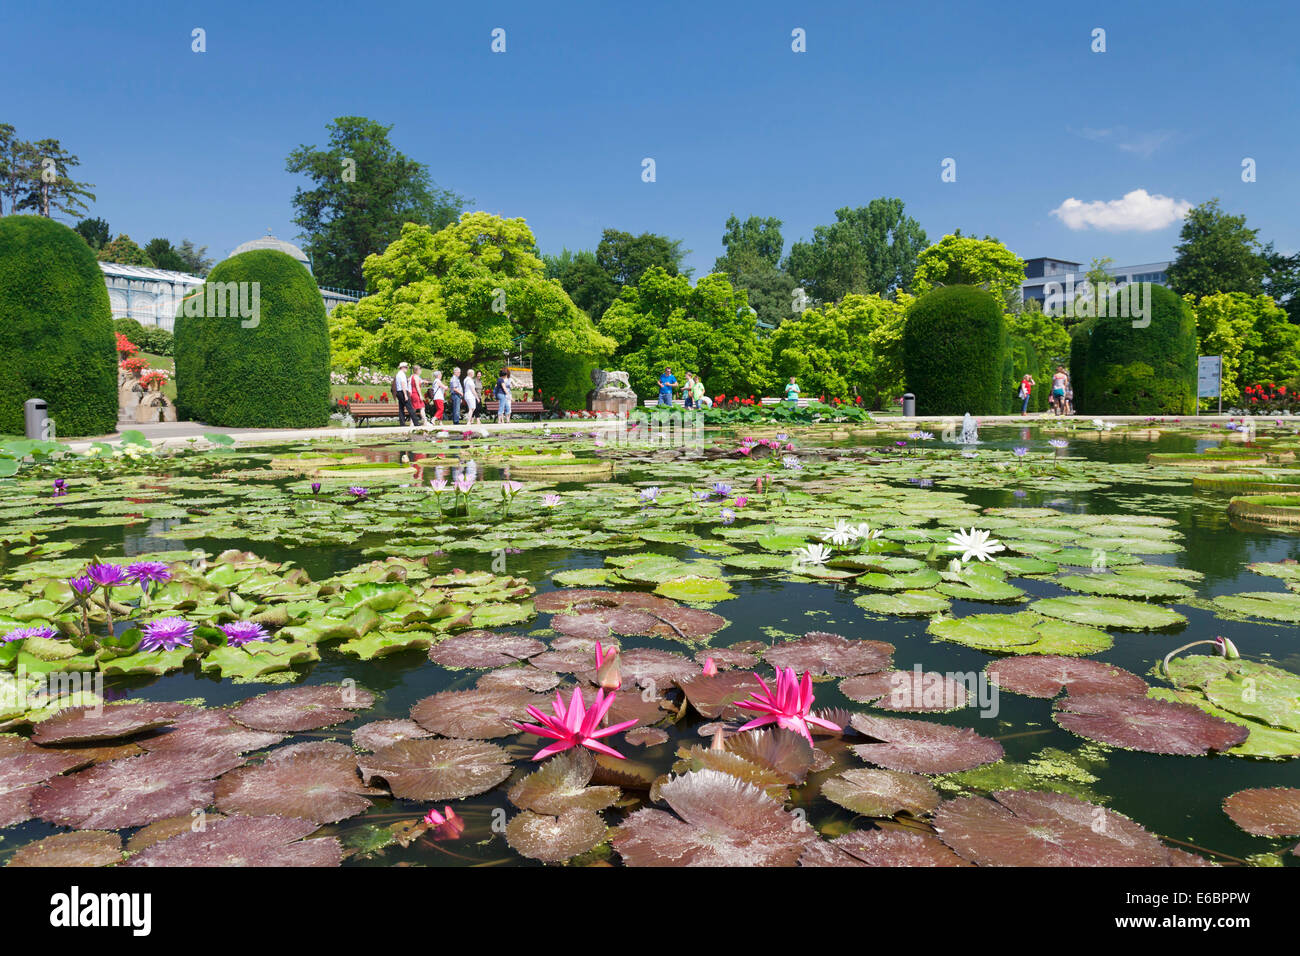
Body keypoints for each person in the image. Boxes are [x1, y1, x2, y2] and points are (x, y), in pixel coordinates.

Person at [394, 362, 412, 426]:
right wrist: (405, 395)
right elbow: (403, 384)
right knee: (409, 407)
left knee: (401, 408)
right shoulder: (401, 374)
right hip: (402, 391)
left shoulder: (399, 374)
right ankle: (416, 422)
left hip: (399, 392)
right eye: (406, 367)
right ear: (402, 367)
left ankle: (402, 423)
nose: (407, 368)